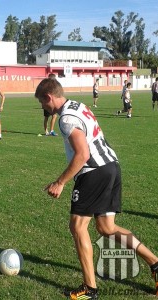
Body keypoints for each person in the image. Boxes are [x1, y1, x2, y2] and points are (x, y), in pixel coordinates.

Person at [35, 78, 158, 300]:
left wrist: (60, 182)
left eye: (43, 104)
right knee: (106, 227)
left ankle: (89, 289)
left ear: (48, 97)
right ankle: (155, 264)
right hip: (111, 166)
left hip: (94, 172)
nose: (43, 108)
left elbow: (82, 154)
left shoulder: (66, 118)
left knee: (78, 226)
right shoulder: (78, 105)